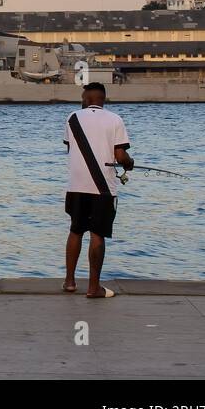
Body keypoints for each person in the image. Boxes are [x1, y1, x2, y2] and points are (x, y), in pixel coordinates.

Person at [62, 81, 134, 298]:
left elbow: (70, 147)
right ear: (103, 98)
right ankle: (94, 288)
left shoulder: (72, 118)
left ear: (87, 99)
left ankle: (70, 282)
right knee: (97, 234)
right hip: (103, 188)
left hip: (76, 185)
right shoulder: (115, 120)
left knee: (76, 230)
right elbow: (120, 157)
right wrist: (129, 163)